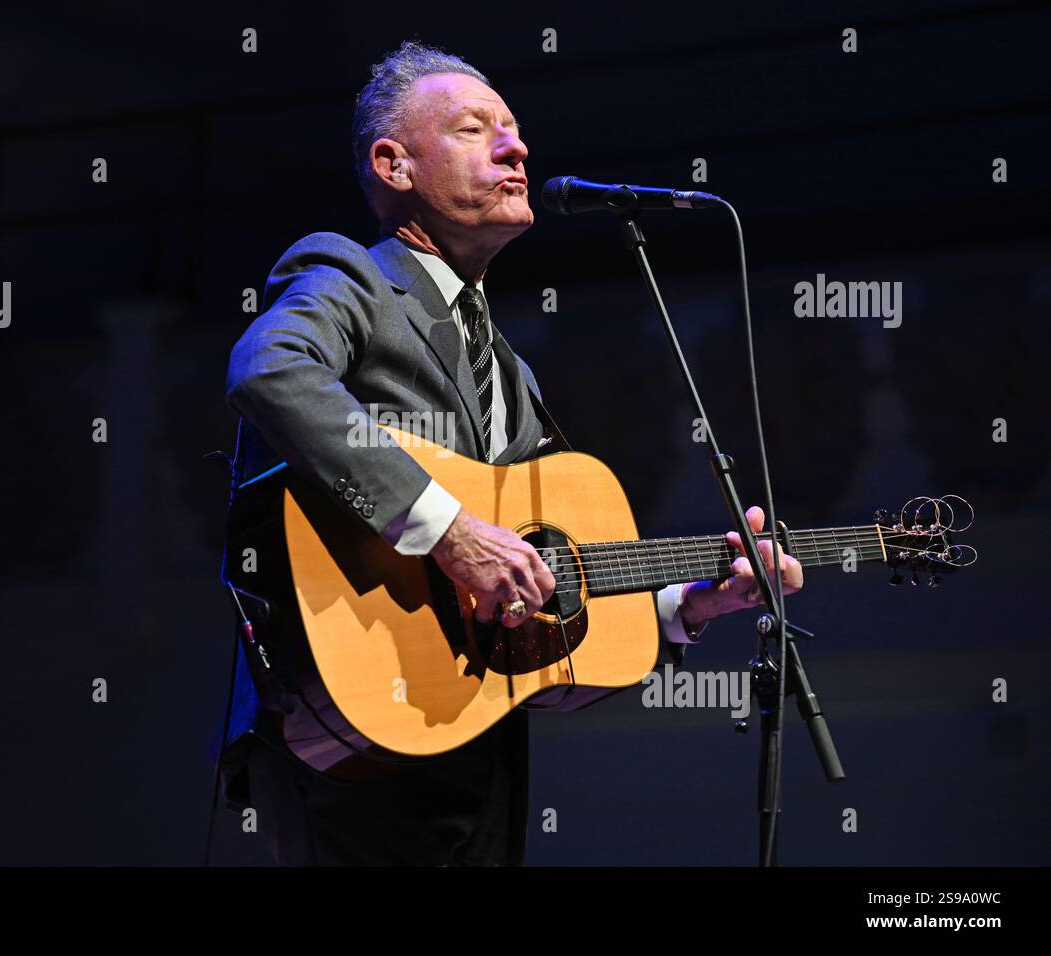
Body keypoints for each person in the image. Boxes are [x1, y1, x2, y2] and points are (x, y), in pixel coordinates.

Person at [219, 41, 803, 866]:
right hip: (348, 733)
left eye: (516, 129)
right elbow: (269, 369)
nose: (516, 147)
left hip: (471, 737)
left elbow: (536, 584)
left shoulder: (510, 371)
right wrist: (448, 532)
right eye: (474, 128)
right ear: (394, 165)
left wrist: (688, 606)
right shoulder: (348, 275)